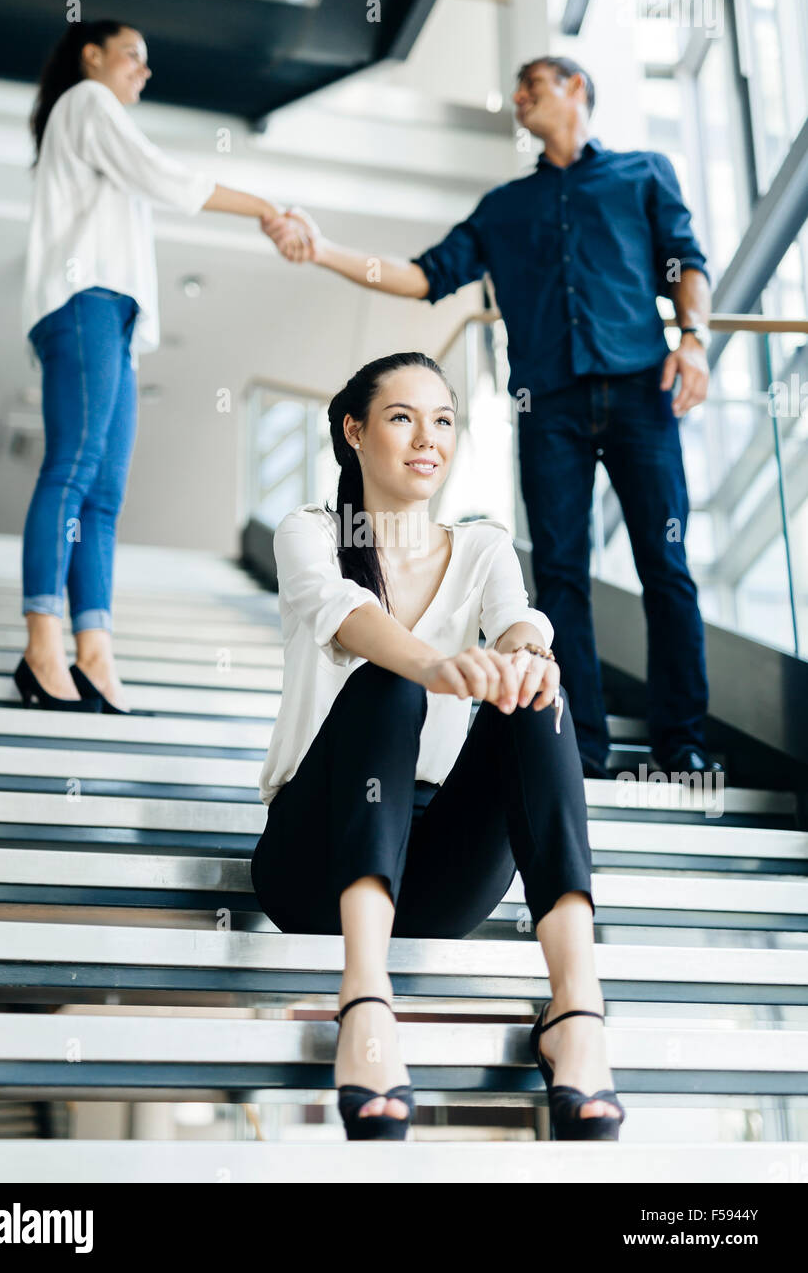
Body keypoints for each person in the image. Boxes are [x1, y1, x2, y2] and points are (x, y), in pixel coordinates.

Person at [262, 56, 720, 780]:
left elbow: (686, 261)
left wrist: (694, 340)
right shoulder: (504, 207)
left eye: (530, 86)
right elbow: (421, 276)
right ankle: (584, 747)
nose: (516, 99)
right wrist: (321, 250)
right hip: (549, 408)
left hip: (640, 391)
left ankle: (683, 744)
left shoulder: (644, 172)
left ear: (577, 87)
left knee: (665, 565)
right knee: (561, 574)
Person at [250, 350, 626, 1142]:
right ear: (353, 432)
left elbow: (519, 615)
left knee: (537, 688)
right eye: (401, 417)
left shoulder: (483, 546)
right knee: (390, 682)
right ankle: (366, 1001)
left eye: (444, 420)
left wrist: (521, 652)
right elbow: (345, 615)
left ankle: (578, 1011)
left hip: (436, 874)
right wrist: (436, 664)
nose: (429, 439)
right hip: (314, 855)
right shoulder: (309, 533)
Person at [16, 19, 305, 714]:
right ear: (93, 56)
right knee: (74, 468)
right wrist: (264, 206)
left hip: (113, 316)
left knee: (104, 496)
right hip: (84, 302)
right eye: (133, 57)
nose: (144, 73)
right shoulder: (88, 104)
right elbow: (167, 178)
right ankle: (41, 642)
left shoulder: (91, 119)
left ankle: (95, 650)